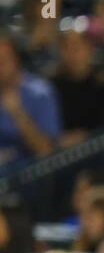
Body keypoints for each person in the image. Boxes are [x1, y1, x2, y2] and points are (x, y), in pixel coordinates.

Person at [0, 33, 59, 167]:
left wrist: (17, 113)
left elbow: (46, 151)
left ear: (16, 60)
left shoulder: (39, 93)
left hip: (30, 178)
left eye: (3, 60)